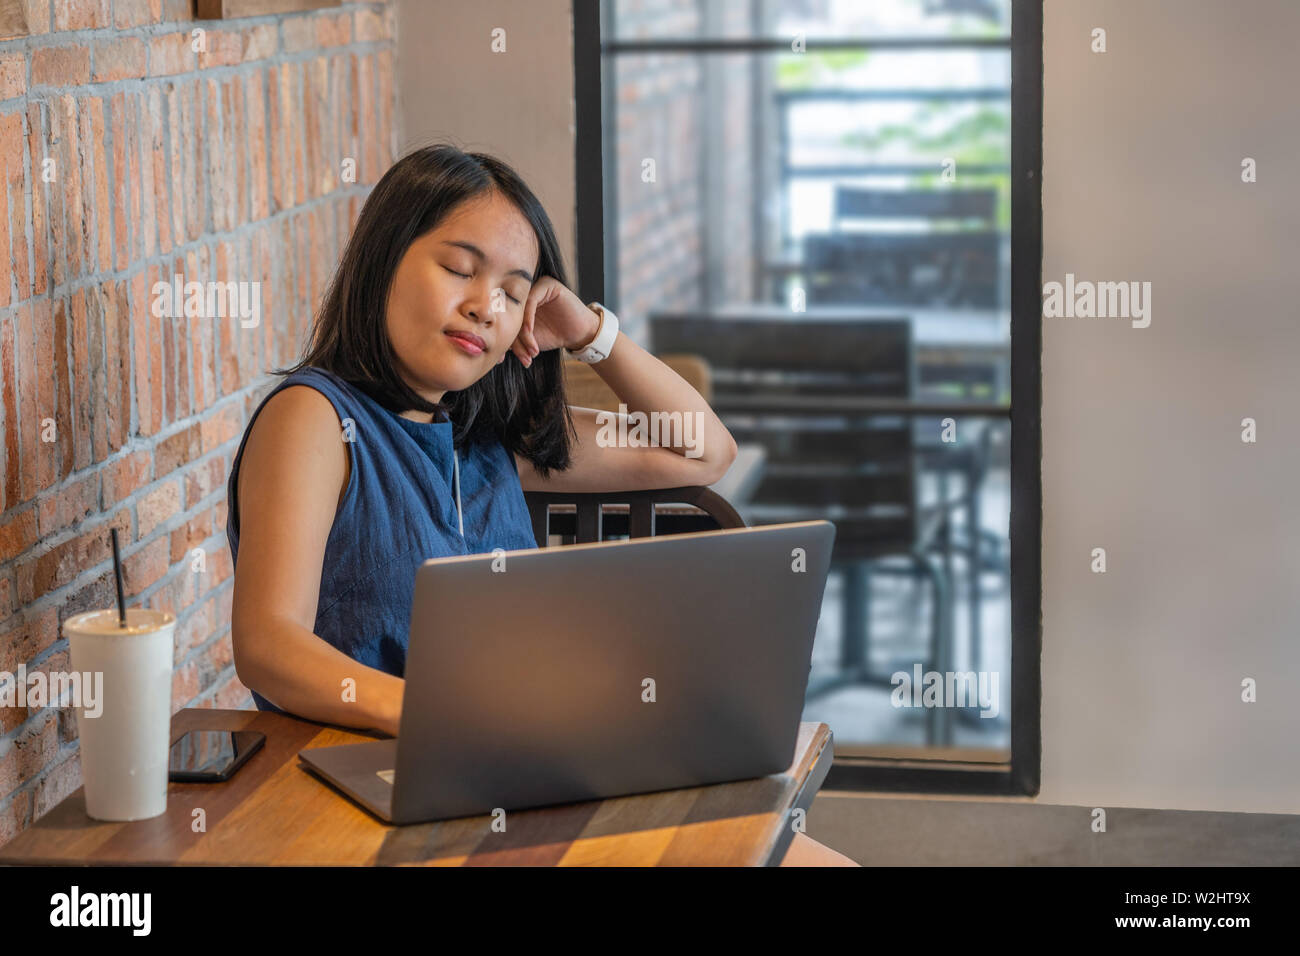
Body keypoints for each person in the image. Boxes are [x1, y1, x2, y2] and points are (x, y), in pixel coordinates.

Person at [226, 143, 738, 738]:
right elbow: (267, 645)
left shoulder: (489, 437)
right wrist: (451, 720)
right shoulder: (315, 420)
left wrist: (590, 333)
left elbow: (703, 451)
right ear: (383, 259)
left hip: (515, 754)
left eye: (514, 293)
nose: (485, 307)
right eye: (460, 270)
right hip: (370, 772)